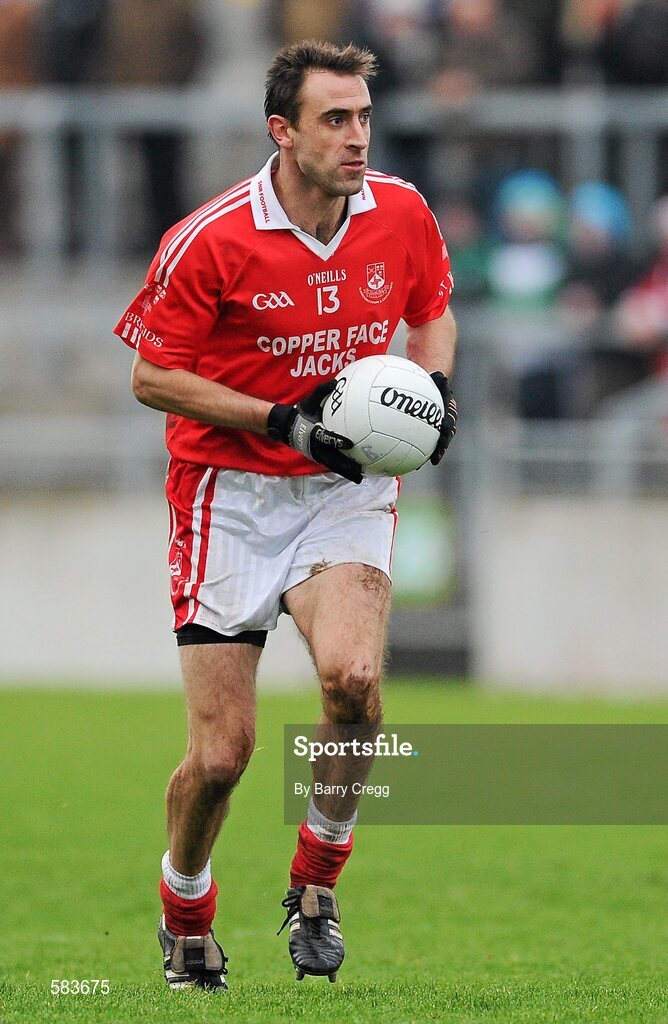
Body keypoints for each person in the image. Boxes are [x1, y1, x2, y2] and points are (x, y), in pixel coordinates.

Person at [113, 39, 457, 992]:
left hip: (345, 485)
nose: (357, 139)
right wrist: (280, 421)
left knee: (353, 680)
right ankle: (186, 903)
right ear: (283, 131)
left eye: (364, 118)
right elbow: (150, 376)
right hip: (229, 494)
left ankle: (317, 878)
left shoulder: (402, 212)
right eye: (334, 120)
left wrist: (432, 389)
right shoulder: (210, 238)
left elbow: (433, 309)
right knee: (223, 757)